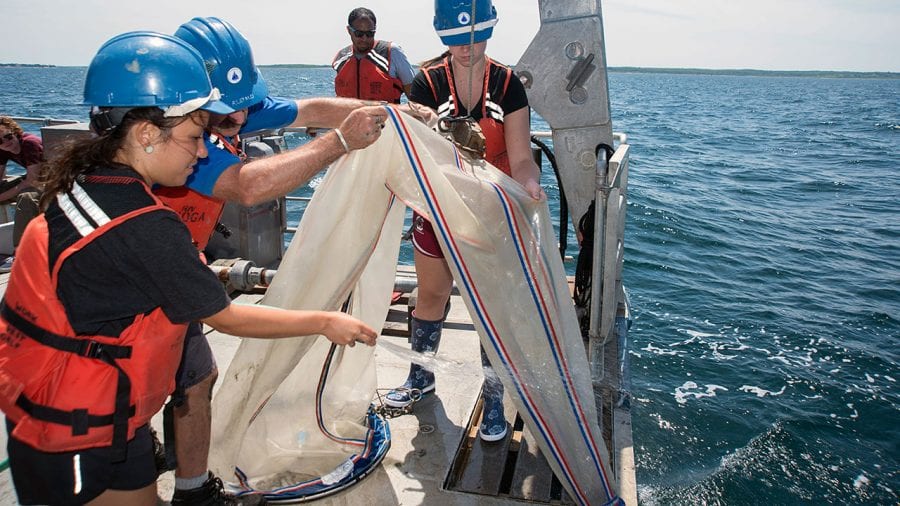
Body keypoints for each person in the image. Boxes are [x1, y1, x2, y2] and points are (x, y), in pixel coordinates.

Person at [0, 31, 377, 506]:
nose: (203, 153)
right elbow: (229, 317)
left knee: (191, 388)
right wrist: (326, 320)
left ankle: (190, 488)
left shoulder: (88, 184)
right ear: (145, 134)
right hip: (74, 432)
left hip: (105, 413)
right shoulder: (145, 226)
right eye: (197, 137)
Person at [156, 17, 395, 506]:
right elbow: (247, 185)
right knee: (146, 381)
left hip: (184, 263)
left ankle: (191, 487)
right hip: (149, 273)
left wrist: (388, 113)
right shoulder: (178, 137)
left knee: (197, 376)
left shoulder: (232, 111)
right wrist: (341, 142)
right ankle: (147, 455)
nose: (240, 120)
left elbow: (312, 107)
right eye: (224, 113)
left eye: (243, 107)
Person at [384, 0, 546, 442]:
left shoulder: (509, 85)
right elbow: (411, 153)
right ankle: (421, 377)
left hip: (491, 210)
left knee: (490, 308)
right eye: (455, 42)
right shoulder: (426, 83)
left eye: (475, 39)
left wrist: (529, 186)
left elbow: (520, 159)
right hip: (437, 208)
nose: (467, 49)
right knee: (431, 295)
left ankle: (494, 397)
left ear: (491, 31)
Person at [332, 7, 416, 102]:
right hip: (351, 116)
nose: (364, 38)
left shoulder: (392, 52)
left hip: (385, 116)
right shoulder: (341, 58)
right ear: (349, 30)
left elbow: (416, 97)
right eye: (359, 34)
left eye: (369, 34)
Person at [0, 116, 44, 272]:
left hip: (52, 181)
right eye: (0, 141)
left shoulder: (30, 144)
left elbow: (32, 181)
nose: (6, 142)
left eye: (8, 136)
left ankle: (20, 253)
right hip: (33, 179)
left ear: (14, 131)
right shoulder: (4, 149)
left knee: (26, 198)